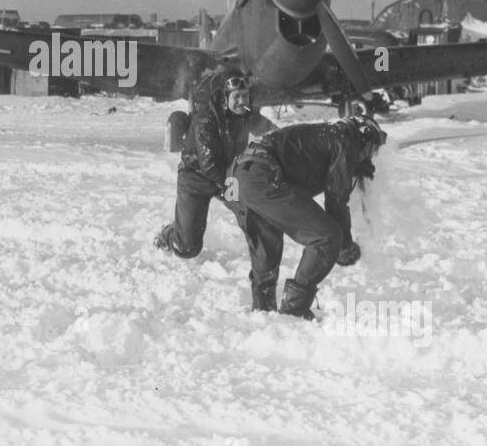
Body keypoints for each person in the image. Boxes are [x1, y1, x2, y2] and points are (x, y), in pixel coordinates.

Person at [230, 115, 386, 317]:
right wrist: (345, 246)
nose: (371, 157)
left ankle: (264, 314)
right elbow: (336, 200)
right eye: (373, 151)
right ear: (366, 137)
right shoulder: (346, 139)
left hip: (241, 176)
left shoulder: (331, 134)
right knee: (327, 237)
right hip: (263, 175)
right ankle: (294, 311)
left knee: (267, 248)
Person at [154, 68, 275, 263]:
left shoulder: (245, 113)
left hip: (226, 175)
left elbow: (269, 132)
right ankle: (169, 235)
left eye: (245, 96)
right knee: (187, 248)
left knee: (251, 210)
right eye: (237, 97)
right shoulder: (206, 119)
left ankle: (263, 256)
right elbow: (209, 165)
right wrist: (232, 185)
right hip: (196, 179)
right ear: (225, 97)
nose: (242, 102)